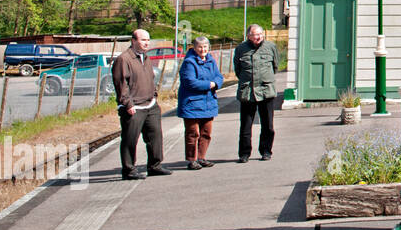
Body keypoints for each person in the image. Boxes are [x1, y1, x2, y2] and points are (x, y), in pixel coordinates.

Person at [111, 29, 170, 179]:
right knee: (130, 139)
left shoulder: (146, 58)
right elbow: (121, 84)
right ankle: (129, 170)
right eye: (143, 40)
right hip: (134, 108)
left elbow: (150, 79)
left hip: (150, 105)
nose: (147, 43)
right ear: (133, 41)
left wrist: (154, 97)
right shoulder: (124, 59)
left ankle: (155, 166)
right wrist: (128, 104)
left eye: (148, 40)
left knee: (155, 137)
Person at [234, 24, 279, 162]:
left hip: (266, 91)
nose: (258, 37)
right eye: (255, 34)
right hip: (248, 91)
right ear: (249, 36)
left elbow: (275, 66)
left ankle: (266, 151)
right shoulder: (240, 49)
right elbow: (238, 70)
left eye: (260, 34)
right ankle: (244, 153)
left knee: (268, 125)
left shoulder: (270, 47)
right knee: (246, 125)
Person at [177, 35, 223, 170]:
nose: (203, 50)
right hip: (191, 103)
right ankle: (192, 159)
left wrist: (216, 83)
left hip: (208, 102)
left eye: (205, 47)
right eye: (200, 47)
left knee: (206, 132)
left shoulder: (211, 61)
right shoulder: (189, 63)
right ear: (195, 47)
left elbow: (219, 76)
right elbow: (190, 82)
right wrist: (209, 84)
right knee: (193, 133)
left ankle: (202, 157)